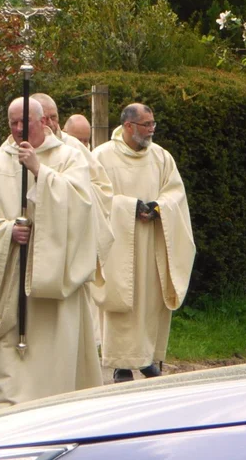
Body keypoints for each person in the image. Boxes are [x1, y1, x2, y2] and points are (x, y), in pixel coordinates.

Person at [0, 97, 102, 410]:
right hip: (13, 275)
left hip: (55, 282)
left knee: (55, 357)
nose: (17, 128)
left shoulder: (68, 157)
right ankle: (8, 407)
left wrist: (40, 171)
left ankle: (53, 405)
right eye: (12, 122)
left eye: (23, 122)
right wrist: (6, 230)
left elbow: (82, 206)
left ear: (43, 121)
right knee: (10, 367)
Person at [92, 103, 195, 383]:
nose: (151, 130)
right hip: (117, 244)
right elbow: (93, 198)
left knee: (150, 301)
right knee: (121, 299)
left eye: (153, 124)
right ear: (128, 126)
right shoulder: (101, 157)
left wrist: (159, 207)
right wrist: (129, 207)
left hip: (151, 242)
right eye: (146, 125)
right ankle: (120, 364)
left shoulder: (161, 157)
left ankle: (148, 358)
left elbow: (175, 194)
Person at [32, 93, 114, 345]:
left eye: (54, 118)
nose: (51, 124)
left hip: (72, 238)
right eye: (45, 118)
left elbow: (102, 188)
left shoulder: (73, 149)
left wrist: (72, 197)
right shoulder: (18, 149)